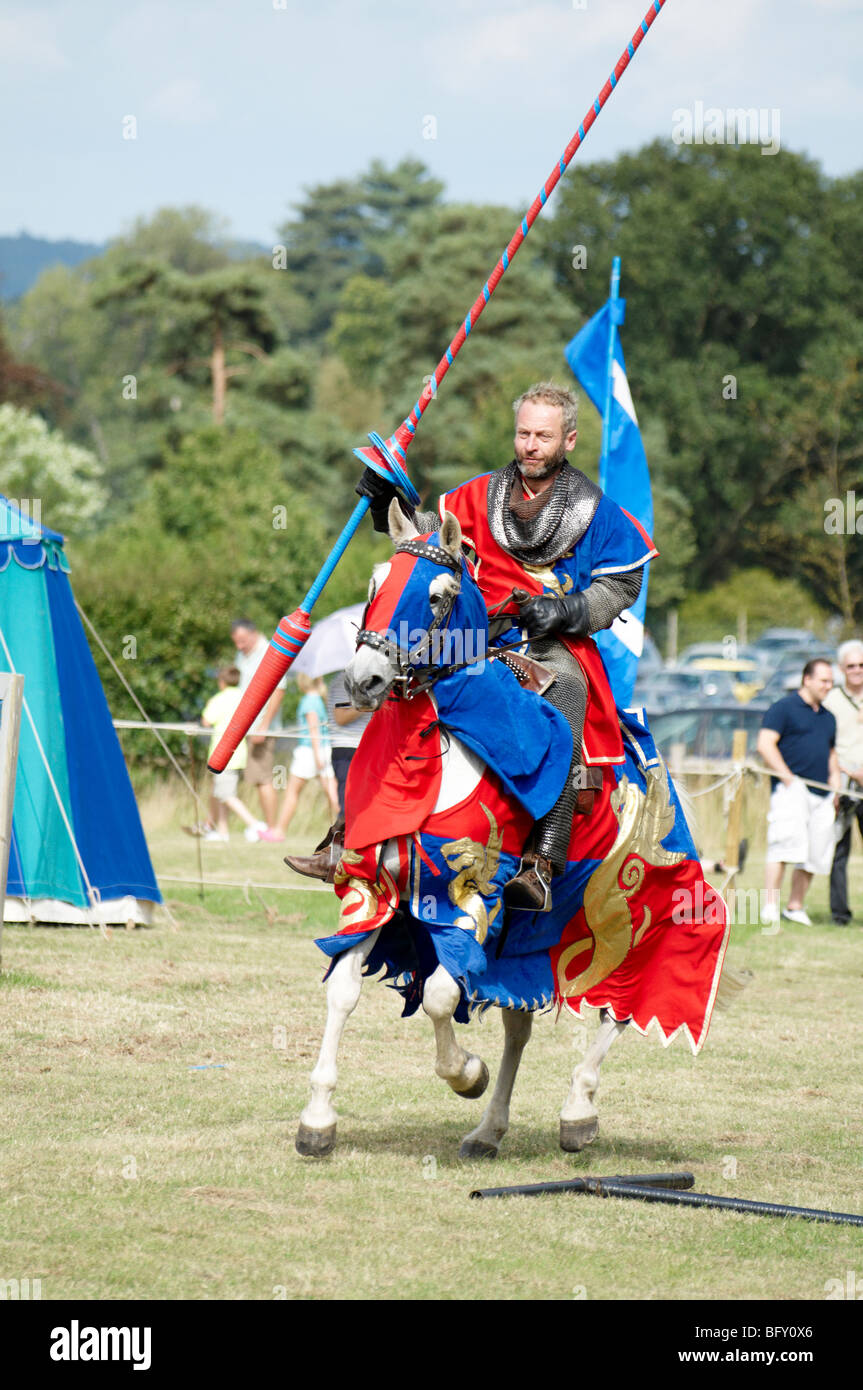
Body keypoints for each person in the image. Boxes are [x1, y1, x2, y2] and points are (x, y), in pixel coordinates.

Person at [355, 380, 658, 910]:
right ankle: (350, 835)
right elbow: (426, 536)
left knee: (564, 687)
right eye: (523, 433)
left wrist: (566, 610)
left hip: (548, 640)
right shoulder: (478, 495)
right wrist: (387, 504)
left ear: (568, 439)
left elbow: (620, 585)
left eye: (543, 435)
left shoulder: (597, 512)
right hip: (475, 633)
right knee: (401, 674)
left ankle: (542, 858)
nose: (530, 445)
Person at [756, 658, 840, 927]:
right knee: (783, 846)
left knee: (815, 853)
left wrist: (835, 787)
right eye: (824, 681)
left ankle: (795, 906)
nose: (829, 686)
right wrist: (787, 777)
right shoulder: (784, 708)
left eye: (831, 682)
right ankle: (770, 905)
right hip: (792, 789)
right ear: (807, 679)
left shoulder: (828, 718)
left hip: (823, 794)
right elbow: (765, 744)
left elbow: (831, 754)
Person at [260, 673, 339, 843]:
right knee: (332, 792)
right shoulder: (319, 700)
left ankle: (279, 831)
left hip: (309, 751)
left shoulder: (309, 701)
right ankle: (347, 828)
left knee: (292, 792)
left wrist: (317, 756)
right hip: (322, 749)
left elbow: (314, 729)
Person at [194, 666, 267, 843]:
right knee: (221, 792)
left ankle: (255, 825)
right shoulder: (244, 698)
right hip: (239, 753)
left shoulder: (218, 699)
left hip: (221, 754)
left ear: (221, 682)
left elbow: (206, 721)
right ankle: (223, 832)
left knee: (227, 795)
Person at [231, 618, 286, 834]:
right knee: (255, 779)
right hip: (246, 728)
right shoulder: (242, 655)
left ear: (254, 633)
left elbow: (278, 690)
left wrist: (263, 726)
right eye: (236, 642)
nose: (239, 646)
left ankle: (272, 829)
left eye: (243, 640)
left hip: (262, 730)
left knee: (263, 778)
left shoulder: (268, 653)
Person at [823, 640, 863, 926]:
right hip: (845, 782)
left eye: (862, 665)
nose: (857, 670)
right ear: (841, 669)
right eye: (851, 666)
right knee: (839, 850)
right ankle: (840, 913)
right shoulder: (831, 700)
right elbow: (826, 745)